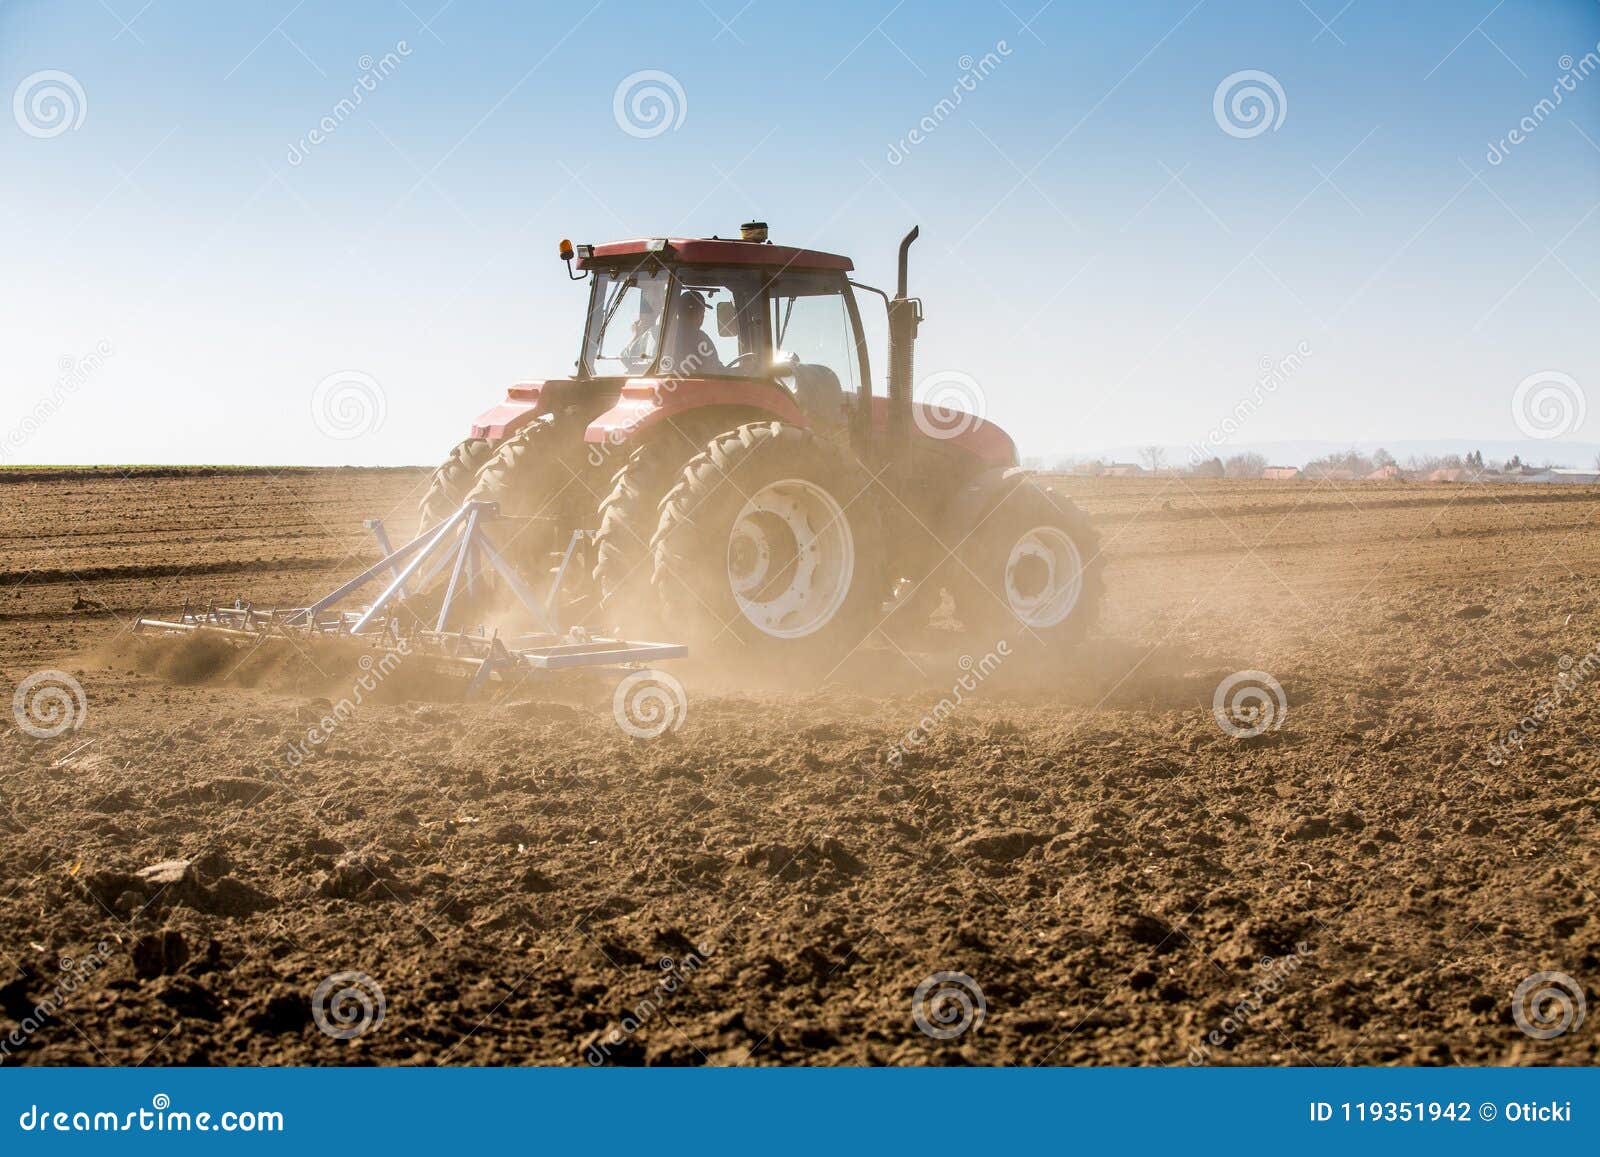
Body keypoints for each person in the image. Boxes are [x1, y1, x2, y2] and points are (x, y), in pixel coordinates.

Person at [660, 290, 725, 375]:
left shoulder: (653, 334)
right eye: (702, 312)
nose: (702, 317)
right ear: (699, 315)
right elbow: (714, 371)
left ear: (678, 312)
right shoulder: (701, 339)